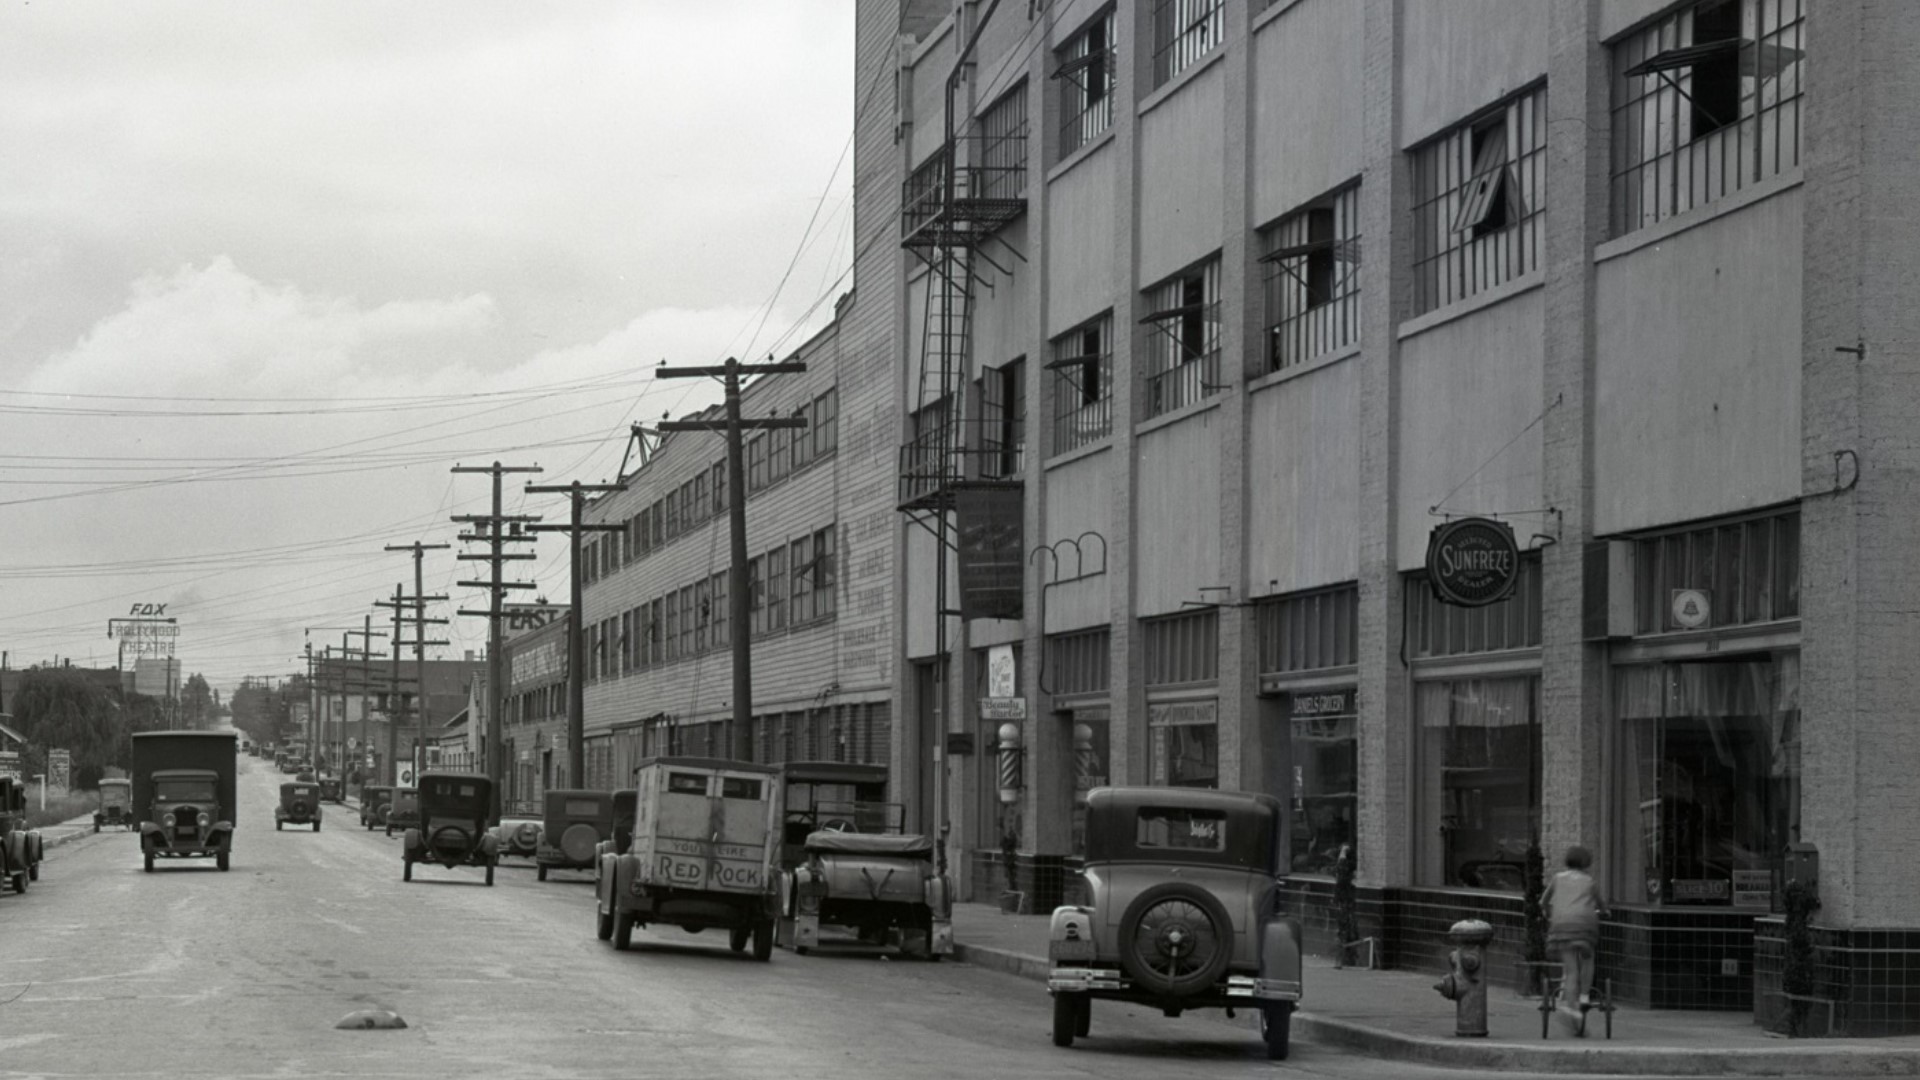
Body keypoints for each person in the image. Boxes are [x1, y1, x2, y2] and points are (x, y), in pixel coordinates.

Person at [1542, 845, 1606, 1036]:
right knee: (1588, 958)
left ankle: (1571, 1008)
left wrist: (1547, 913)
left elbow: (1543, 902)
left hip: (1561, 927)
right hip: (1585, 926)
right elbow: (1601, 904)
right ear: (1586, 863)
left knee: (1571, 972)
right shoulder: (1589, 882)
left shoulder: (1557, 879)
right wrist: (1604, 911)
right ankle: (1585, 997)